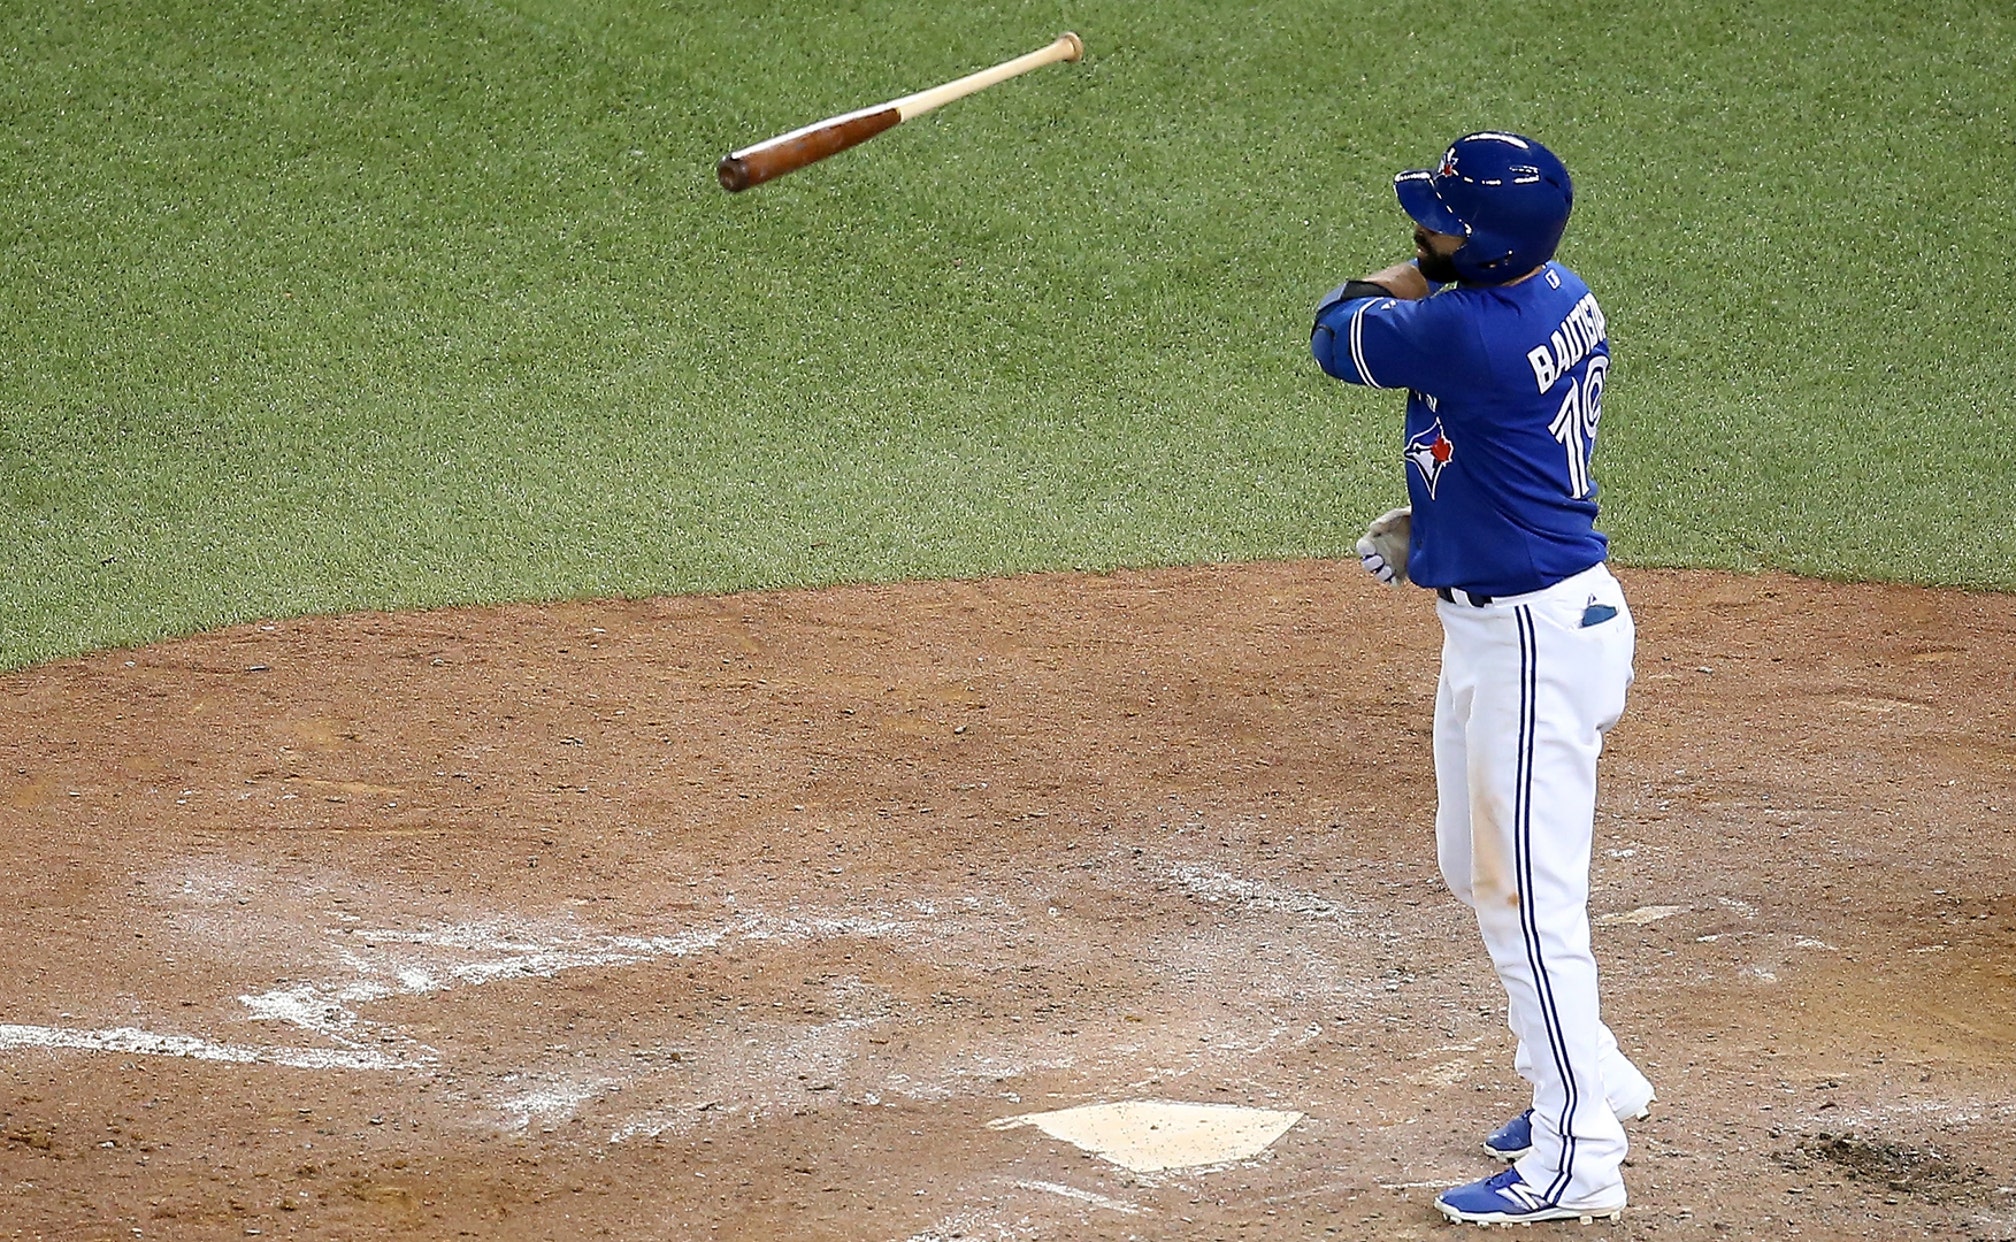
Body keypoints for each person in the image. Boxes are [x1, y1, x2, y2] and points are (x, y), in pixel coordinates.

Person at [1309, 131, 1655, 1225]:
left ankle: (1576, 1161)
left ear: (1488, 248)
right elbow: (1515, 446)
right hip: (1522, 614)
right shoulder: (1560, 292)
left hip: (1536, 646)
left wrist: (1415, 270)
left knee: (1530, 908)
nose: (1425, 232)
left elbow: (1337, 334)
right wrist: (1447, 527)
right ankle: (1590, 1073)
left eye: (1444, 224)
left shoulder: (1467, 325)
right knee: (1474, 869)